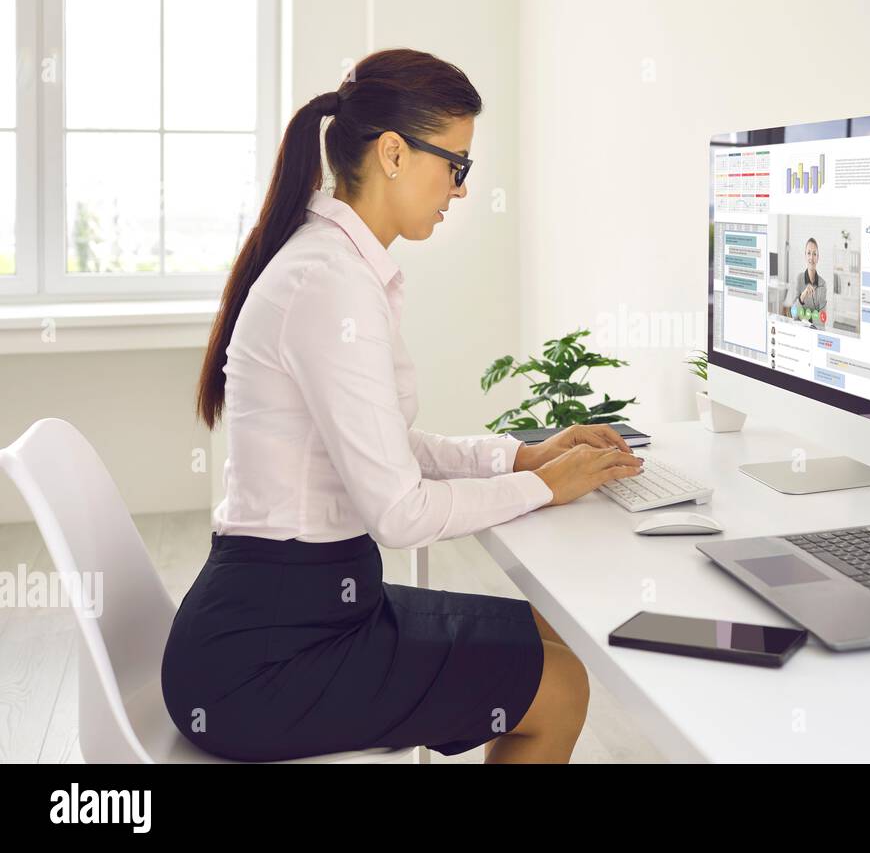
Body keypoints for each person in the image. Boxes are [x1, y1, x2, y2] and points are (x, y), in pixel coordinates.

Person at [163, 48, 643, 764]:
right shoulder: (330, 283)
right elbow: (399, 513)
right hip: (263, 661)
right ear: (393, 153)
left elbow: (387, 445)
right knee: (562, 686)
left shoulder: (336, 265)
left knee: (547, 635)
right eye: (457, 164)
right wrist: (542, 487)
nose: (460, 188)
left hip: (304, 611)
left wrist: (519, 457)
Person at [782, 237, 828, 327]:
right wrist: (802, 297)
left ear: (818, 258)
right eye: (809, 253)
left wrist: (804, 318)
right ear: (805, 256)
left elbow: (822, 320)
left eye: (814, 254)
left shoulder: (822, 284)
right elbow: (794, 315)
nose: (811, 257)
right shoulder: (799, 279)